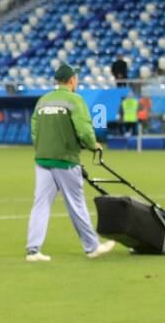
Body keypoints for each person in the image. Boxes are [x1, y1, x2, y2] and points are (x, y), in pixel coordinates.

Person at [25, 65, 116, 262]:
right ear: (72, 80)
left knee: (40, 204)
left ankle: (33, 250)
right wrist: (93, 146)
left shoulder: (42, 101)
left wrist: (43, 147)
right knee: (76, 203)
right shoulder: (75, 100)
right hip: (65, 160)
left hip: (42, 158)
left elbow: (34, 130)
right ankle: (92, 247)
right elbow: (84, 130)